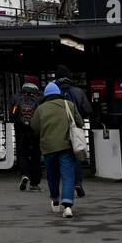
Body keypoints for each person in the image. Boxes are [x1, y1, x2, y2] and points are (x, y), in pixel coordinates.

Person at [30, 80, 84, 218]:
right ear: (59, 93)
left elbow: (34, 128)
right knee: (68, 176)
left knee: (52, 176)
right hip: (66, 146)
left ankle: (55, 200)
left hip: (48, 148)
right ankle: (67, 206)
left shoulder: (40, 109)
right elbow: (80, 122)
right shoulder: (69, 105)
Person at [53, 65, 90, 198]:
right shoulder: (78, 91)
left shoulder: (53, 92)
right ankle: (77, 183)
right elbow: (87, 109)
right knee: (76, 157)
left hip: (57, 131)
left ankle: (63, 186)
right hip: (75, 130)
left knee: (61, 158)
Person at [9, 80, 43, 191]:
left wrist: (18, 125)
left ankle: (25, 174)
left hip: (21, 132)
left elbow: (12, 115)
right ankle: (34, 184)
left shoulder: (16, 98)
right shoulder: (39, 98)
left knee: (22, 155)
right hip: (35, 132)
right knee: (35, 156)